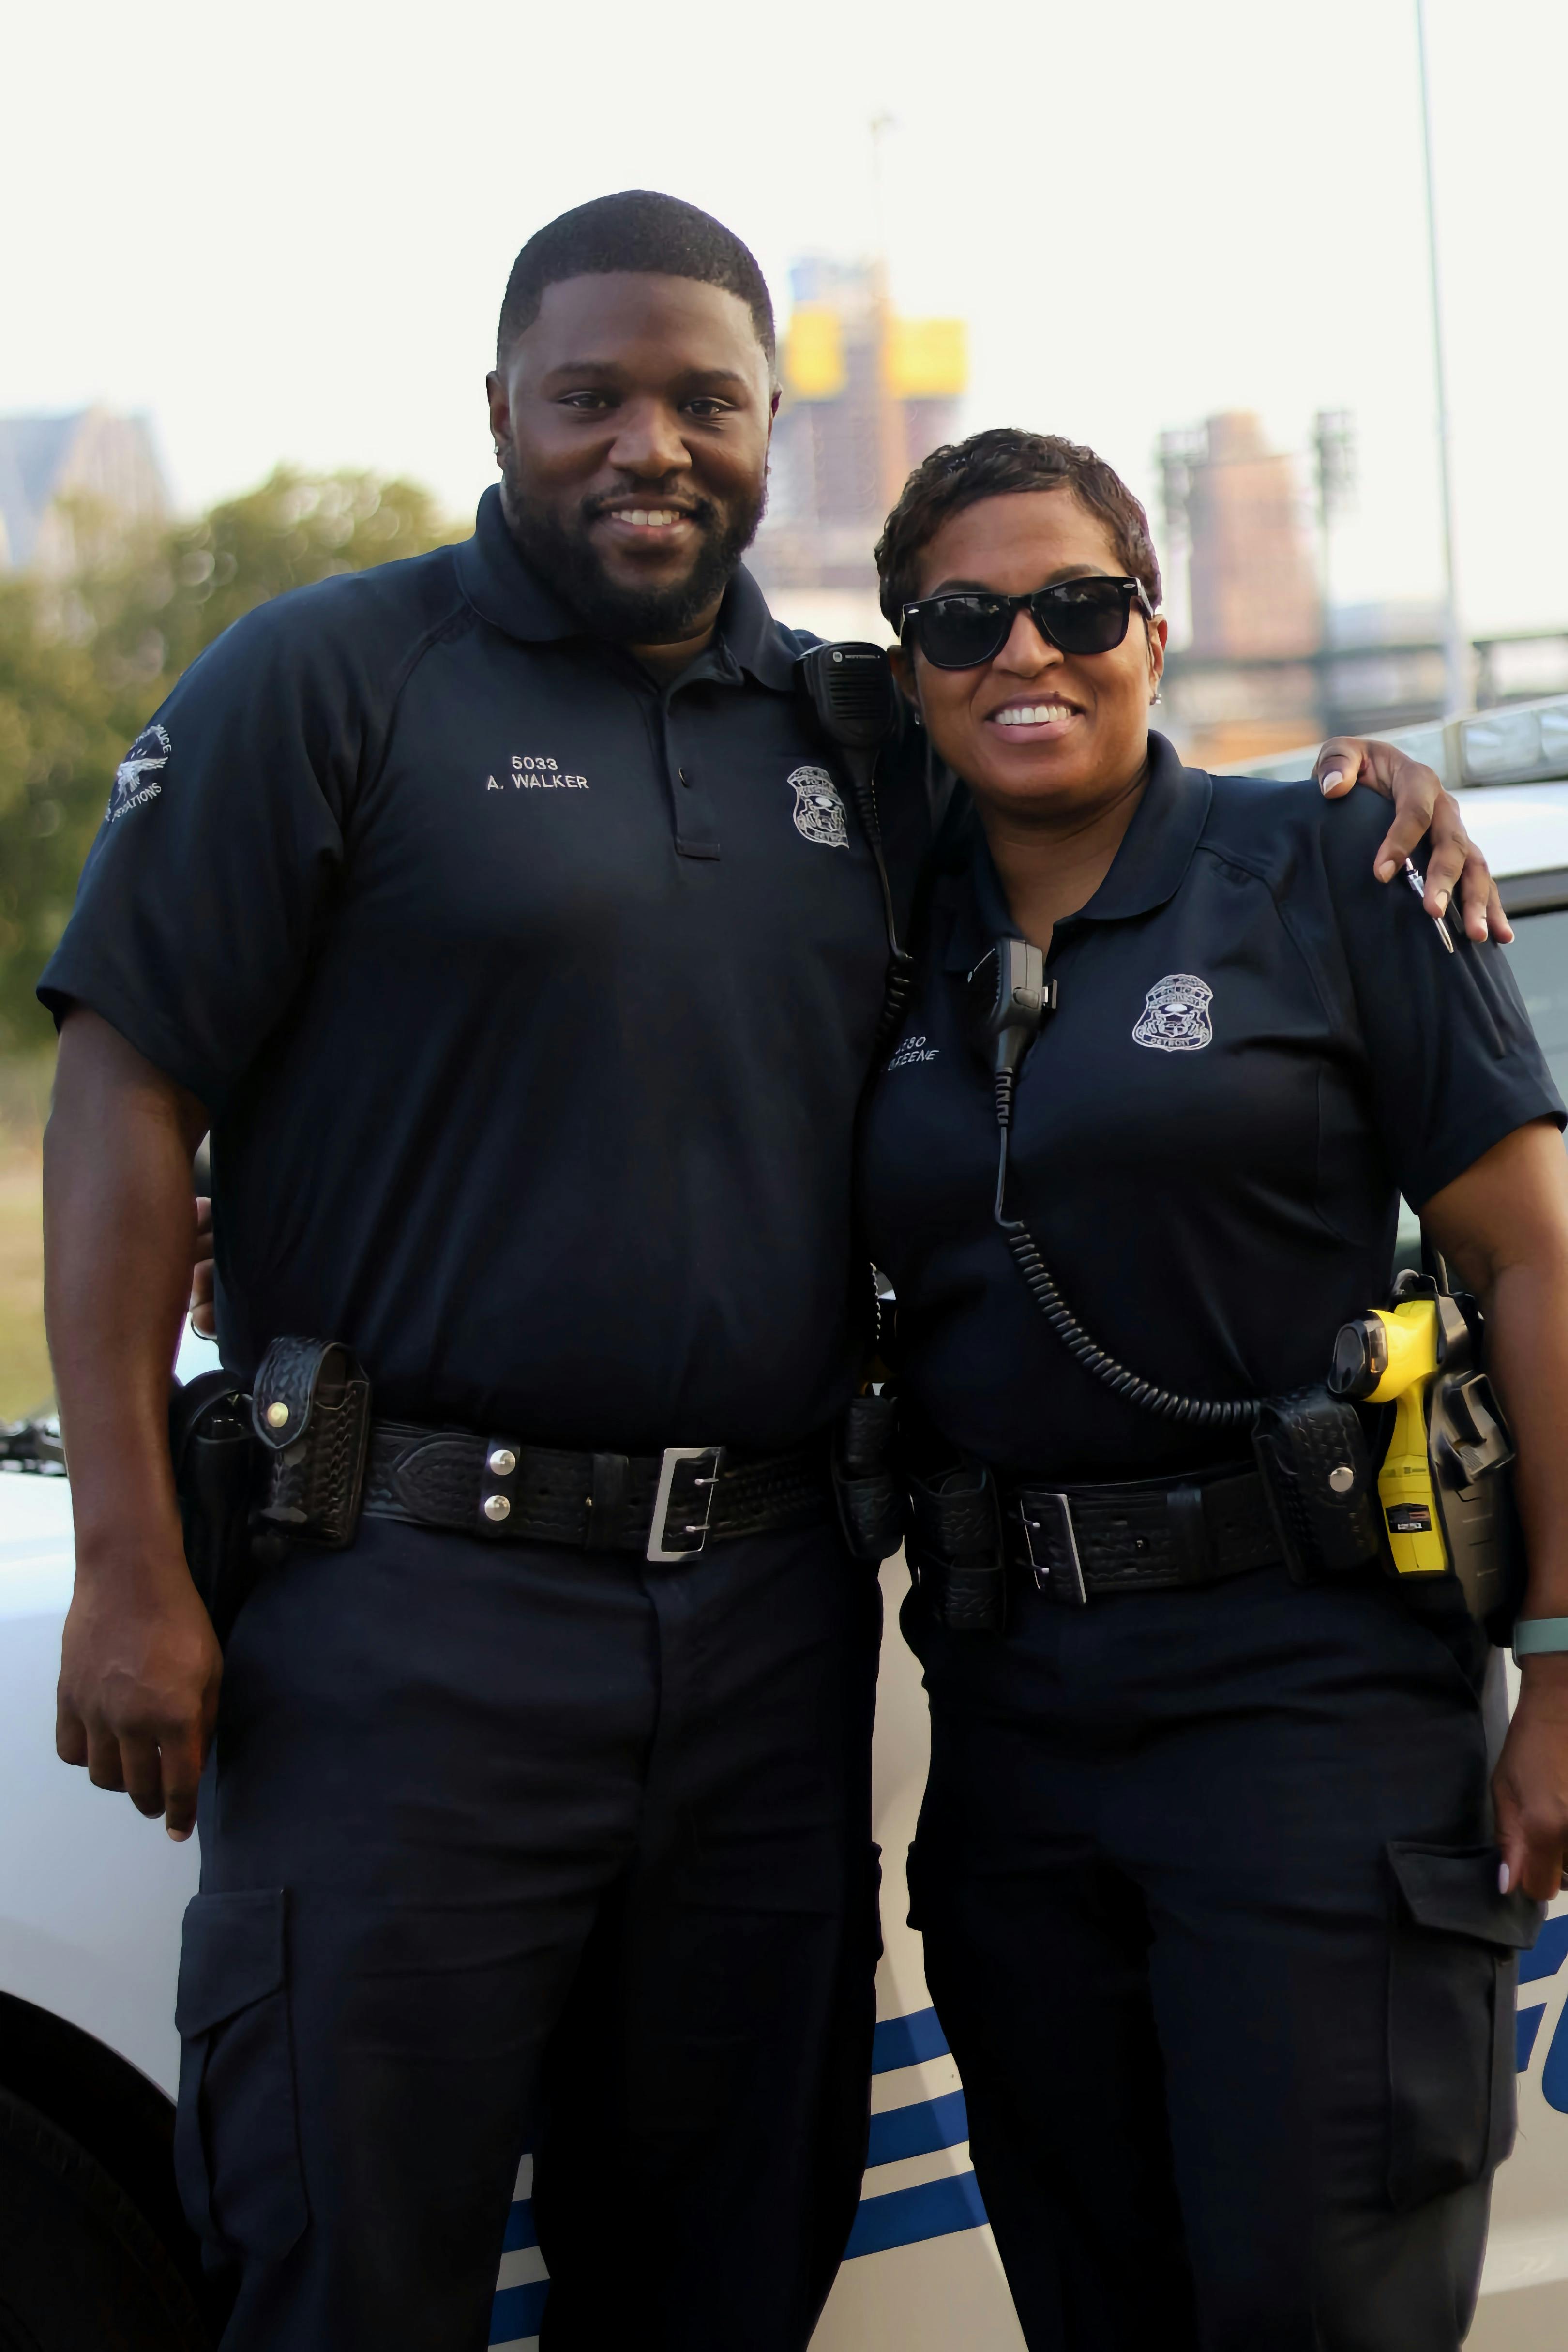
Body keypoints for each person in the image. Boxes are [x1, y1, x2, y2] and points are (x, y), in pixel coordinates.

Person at [40, 188, 1495, 2351]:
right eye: (592, 397)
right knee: (350, 2266)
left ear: (768, 424)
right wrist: (128, 1564)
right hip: (409, 1625)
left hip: (765, 1636)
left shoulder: (845, 729)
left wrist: (1379, 789)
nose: (651, 443)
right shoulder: (328, 681)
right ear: (501, 411)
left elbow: (1104, 783)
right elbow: (123, 1099)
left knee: (727, 2265)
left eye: (705, 399)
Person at [859, 424, 1568, 2352]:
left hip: (1311, 1712)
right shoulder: (870, 940)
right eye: (966, 620)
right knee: (1101, 2309)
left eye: (1079, 606)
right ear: (908, 666)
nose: (1029, 654)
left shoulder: (1337, 864)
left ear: (1154, 632)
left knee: (1311, 2308)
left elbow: (1530, 1261)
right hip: (1012, 1733)